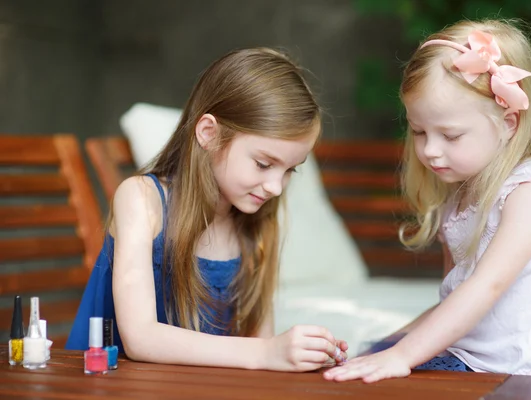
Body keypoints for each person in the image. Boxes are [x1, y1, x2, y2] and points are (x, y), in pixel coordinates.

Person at [323, 19, 531, 399]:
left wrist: (403, 354)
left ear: (508, 123)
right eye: (418, 131)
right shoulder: (459, 196)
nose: (430, 150)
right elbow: (454, 302)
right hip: (469, 358)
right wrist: (386, 344)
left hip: (518, 369)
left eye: (450, 135)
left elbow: (488, 285)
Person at [66, 47, 348, 372]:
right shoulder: (141, 200)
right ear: (208, 134)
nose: (276, 187)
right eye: (263, 163)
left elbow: (261, 344)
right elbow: (140, 338)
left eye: (289, 170)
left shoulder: (257, 220)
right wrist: (265, 353)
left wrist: (292, 355)